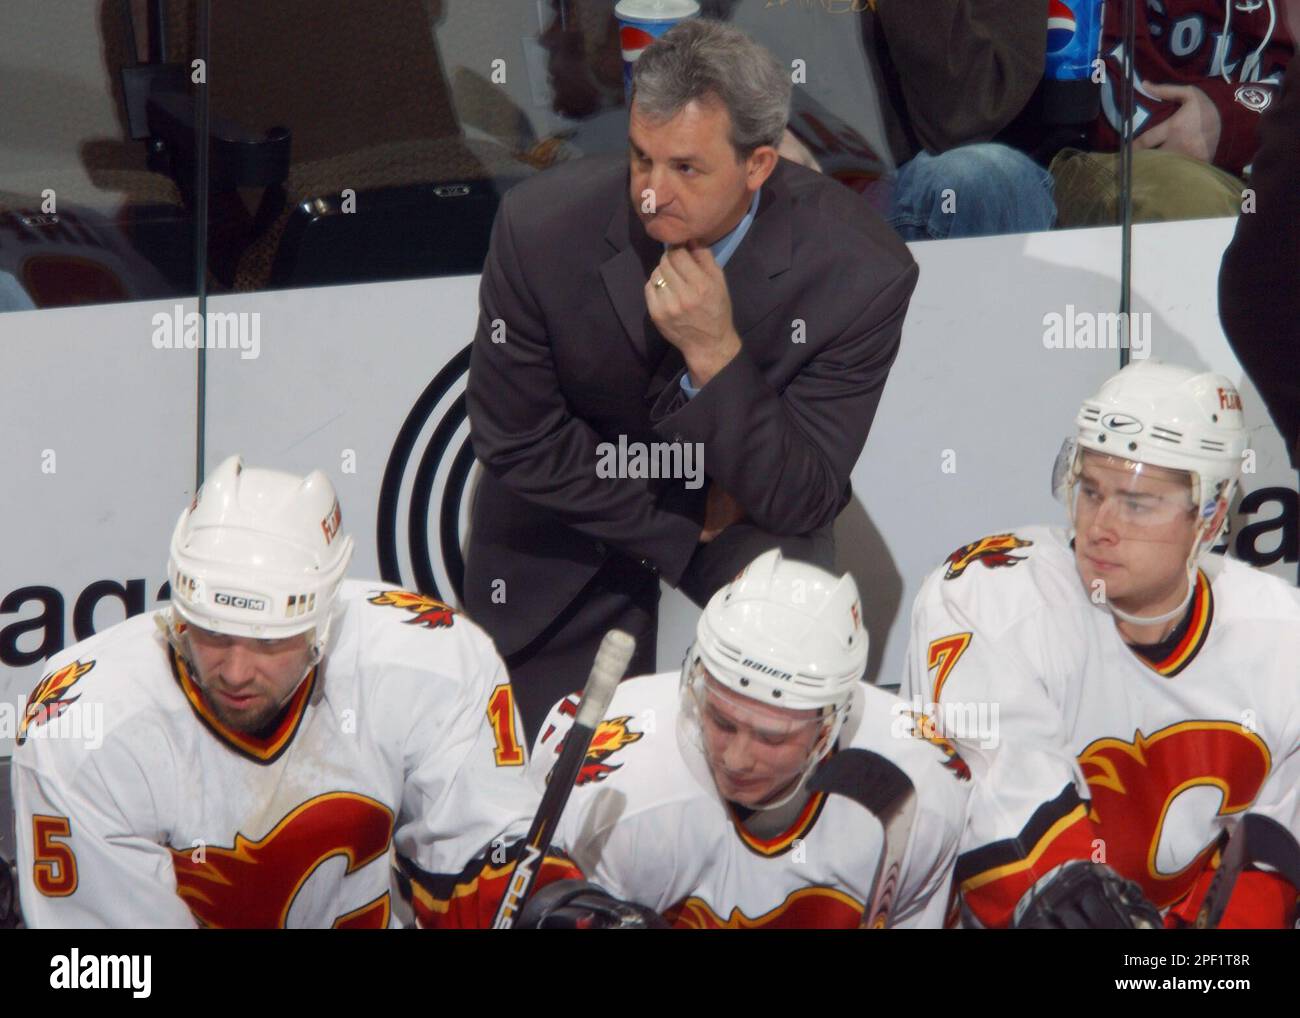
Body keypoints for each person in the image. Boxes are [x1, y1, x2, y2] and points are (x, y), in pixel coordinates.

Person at [465, 18, 918, 741]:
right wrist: (682, 515)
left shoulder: (860, 269)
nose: (651, 194)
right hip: (566, 516)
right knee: (551, 774)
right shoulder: (540, 226)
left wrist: (717, 356)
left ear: (760, 165)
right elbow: (515, 440)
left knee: (778, 714)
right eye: (641, 160)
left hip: (751, 520)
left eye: (685, 168)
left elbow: (802, 493)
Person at [11, 456, 577, 928]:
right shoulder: (83, 725)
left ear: (322, 623)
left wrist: (554, 907)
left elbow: (482, 866)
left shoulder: (426, 660)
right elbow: (103, 971)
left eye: (268, 642)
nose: (235, 672)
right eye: (213, 633)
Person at [903, 361, 1300, 928]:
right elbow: (1042, 892)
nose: (1100, 525)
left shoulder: (1281, 637)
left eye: (1137, 502)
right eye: (1091, 490)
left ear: (1209, 516)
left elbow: (1268, 873)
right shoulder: (995, 598)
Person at [524, 550, 972, 929]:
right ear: (696, 683)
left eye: (771, 739)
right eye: (722, 721)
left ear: (828, 725)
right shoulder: (616, 786)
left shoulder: (919, 790)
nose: (736, 760)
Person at [1052, 0, 1295, 226]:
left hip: (1262, 158)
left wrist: (1232, 115)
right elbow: (1085, 95)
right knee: (1189, 198)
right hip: (1110, 154)